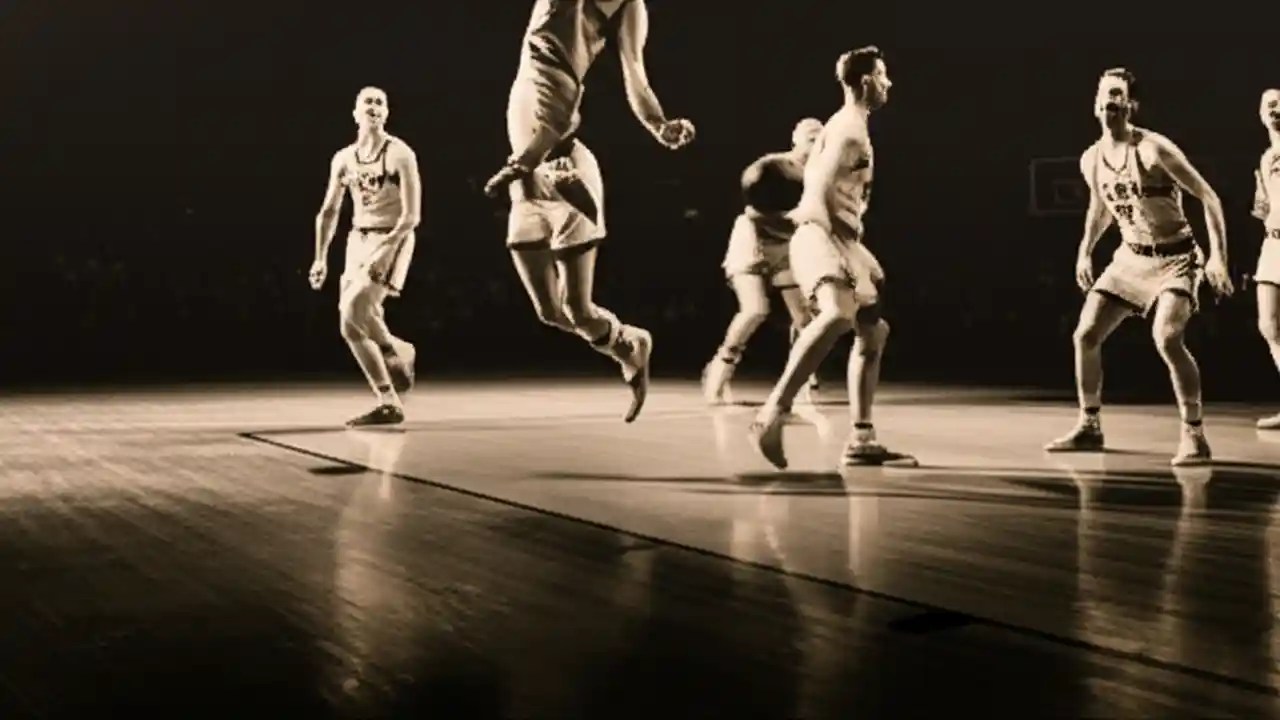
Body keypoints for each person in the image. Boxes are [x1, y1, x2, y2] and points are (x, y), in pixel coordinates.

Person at [487, 0, 695, 422]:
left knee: (579, 310)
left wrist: (658, 124)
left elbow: (634, 72)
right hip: (528, 181)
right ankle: (624, 341)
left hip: (565, 173)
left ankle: (630, 344)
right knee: (550, 312)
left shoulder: (629, 8)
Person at [1045, 68, 1233, 464]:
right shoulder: (1090, 159)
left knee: (1166, 337)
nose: (1110, 100)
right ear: (1095, 104)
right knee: (1085, 334)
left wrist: (1218, 258)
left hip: (1175, 257)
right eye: (1104, 94)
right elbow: (1101, 208)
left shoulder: (1153, 149)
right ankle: (1089, 426)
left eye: (1118, 94)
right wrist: (1085, 250)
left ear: (1131, 105)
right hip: (1130, 258)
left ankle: (1194, 434)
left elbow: (1209, 197)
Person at [749, 46, 911, 470]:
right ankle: (773, 412)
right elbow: (819, 189)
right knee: (838, 315)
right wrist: (842, 249)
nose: (888, 82)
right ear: (865, 82)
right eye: (883, 74)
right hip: (822, 236)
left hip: (834, 237)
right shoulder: (848, 130)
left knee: (873, 333)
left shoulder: (847, 125)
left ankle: (861, 438)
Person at [309, 87, 422, 427]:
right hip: (357, 239)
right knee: (349, 324)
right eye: (367, 102)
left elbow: (412, 216)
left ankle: (392, 351)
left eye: (380, 103)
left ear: (386, 113)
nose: (373, 107)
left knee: (355, 308)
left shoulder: (400, 153)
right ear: (355, 113)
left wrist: (385, 249)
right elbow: (328, 212)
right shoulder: (343, 159)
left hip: (393, 236)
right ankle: (388, 396)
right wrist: (320, 257)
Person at [702, 118, 824, 406]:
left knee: (806, 318)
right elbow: (755, 212)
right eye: (809, 136)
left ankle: (801, 374)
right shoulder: (772, 167)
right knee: (754, 309)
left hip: (787, 245)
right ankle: (719, 368)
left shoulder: (820, 175)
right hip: (752, 239)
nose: (815, 141)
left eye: (819, 137)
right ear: (795, 139)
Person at [1253, 89, 1280, 429]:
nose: (1276, 109)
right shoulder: (1265, 158)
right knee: (1269, 325)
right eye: (1270, 105)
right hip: (1273, 245)